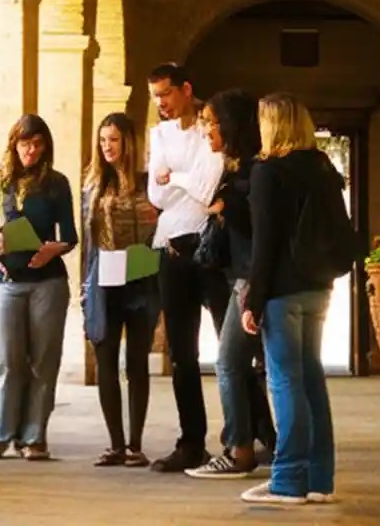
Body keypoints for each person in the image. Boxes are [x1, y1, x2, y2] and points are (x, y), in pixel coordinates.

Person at [240, 92, 338, 505]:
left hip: (281, 290)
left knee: (284, 380)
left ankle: (287, 480)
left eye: (262, 120)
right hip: (318, 287)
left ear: (273, 125)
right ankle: (320, 478)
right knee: (311, 378)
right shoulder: (322, 167)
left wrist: (252, 300)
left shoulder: (268, 172)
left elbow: (265, 244)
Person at [186, 89, 277, 479]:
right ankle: (253, 445)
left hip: (250, 280)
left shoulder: (253, 172)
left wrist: (226, 207)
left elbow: (262, 233)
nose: (206, 130)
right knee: (253, 366)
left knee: (229, 363)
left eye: (211, 122)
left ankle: (239, 450)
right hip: (242, 277)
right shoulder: (236, 168)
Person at [0, 114, 78, 461]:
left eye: (37, 144)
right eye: (25, 144)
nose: (31, 151)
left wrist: (54, 248)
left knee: (43, 361)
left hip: (46, 281)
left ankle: (35, 437)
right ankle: (4, 435)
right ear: (13, 144)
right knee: (6, 360)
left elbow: (70, 235)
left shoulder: (56, 183)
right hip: (4, 280)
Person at [144, 63, 228, 472]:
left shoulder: (210, 128)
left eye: (165, 94)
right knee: (183, 354)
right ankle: (191, 443)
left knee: (231, 349)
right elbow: (155, 195)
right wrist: (183, 182)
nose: (160, 103)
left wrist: (174, 176)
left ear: (186, 89)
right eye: (155, 96)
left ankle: (249, 436)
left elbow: (208, 186)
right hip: (171, 249)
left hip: (211, 251)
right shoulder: (158, 134)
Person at [81, 113, 160, 468]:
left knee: (137, 362)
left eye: (113, 140)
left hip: (142, 278)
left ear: (127, 142)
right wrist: (83, 287)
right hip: (104, 281)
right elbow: (87, 243)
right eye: (103, 141)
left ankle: (135, 444)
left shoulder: (148, 184)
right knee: (106, 361)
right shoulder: (93, 185)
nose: (107, 147)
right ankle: (114, 444)